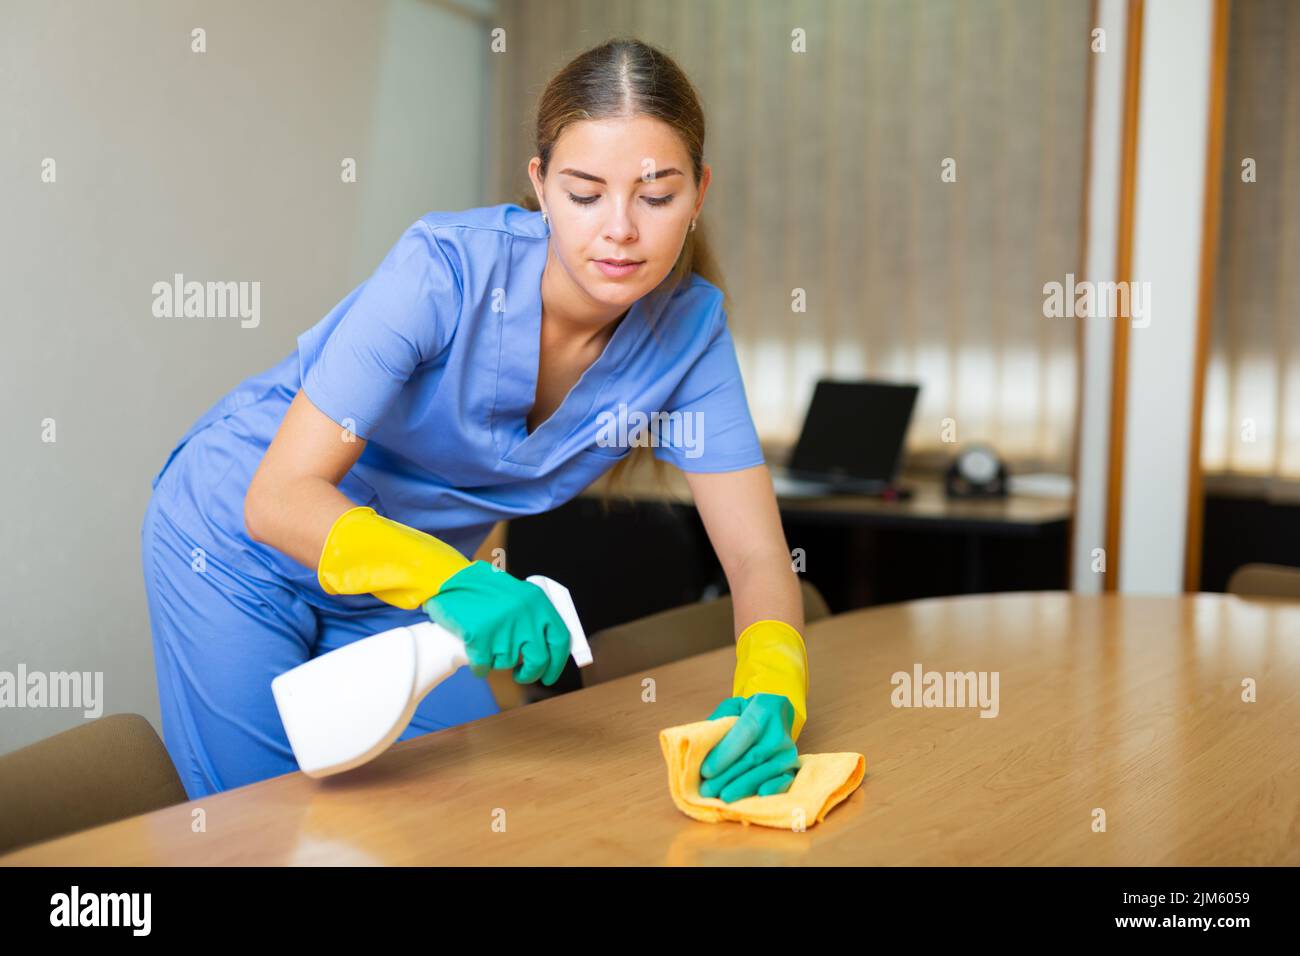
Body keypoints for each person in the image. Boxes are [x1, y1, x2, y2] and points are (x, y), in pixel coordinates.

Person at [141, 37, 808, 801]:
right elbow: (278, 498)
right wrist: (449, 580)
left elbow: (758, 559)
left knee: (483, 807)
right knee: (260, 828)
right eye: (585, 194)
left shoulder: (691, 335)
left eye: (656, 197)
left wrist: (774, 687)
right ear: (542, 184)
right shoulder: (445, 272)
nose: (620, 229)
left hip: (397, 594)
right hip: (234, 553)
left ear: (699, 192)